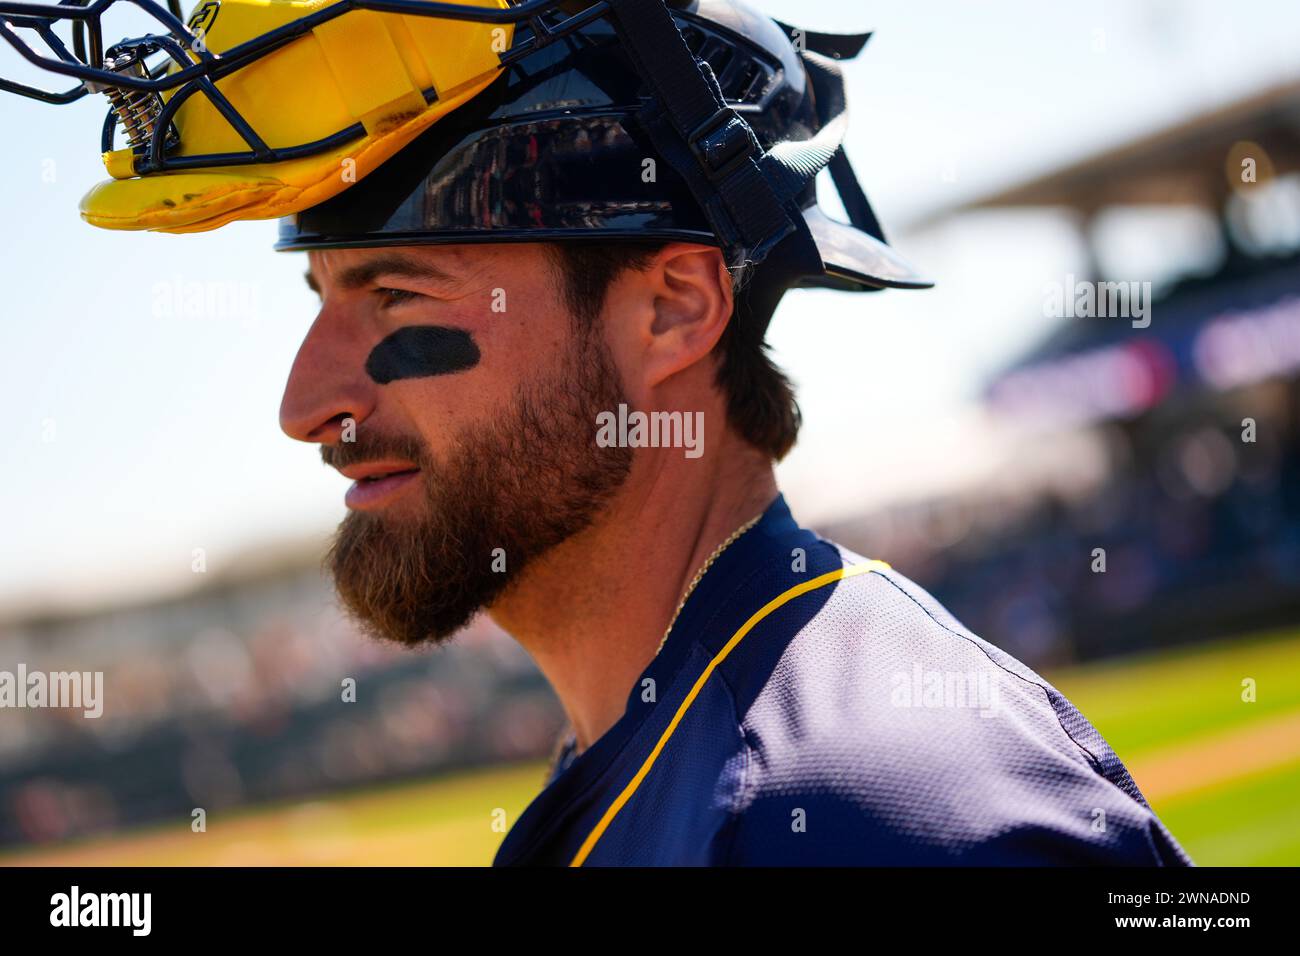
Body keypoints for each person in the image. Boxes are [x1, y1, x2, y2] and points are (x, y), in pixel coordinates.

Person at [1, 0, 1191, 865]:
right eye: (320, 302)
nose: (305, 404)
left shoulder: (864, 815)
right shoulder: (670, 745)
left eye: (398, 298)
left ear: (672, 308)